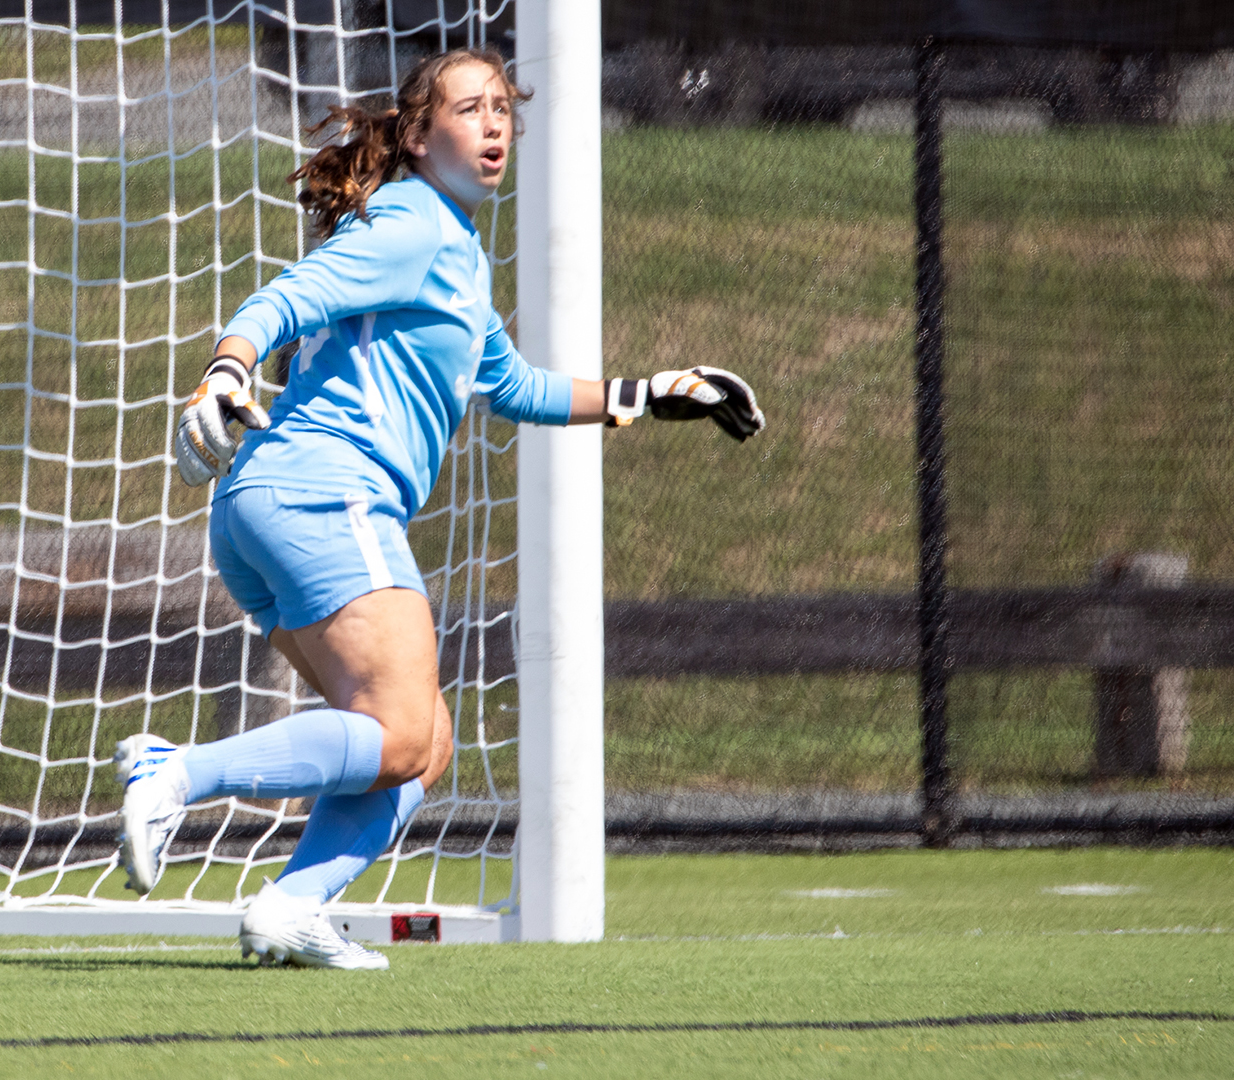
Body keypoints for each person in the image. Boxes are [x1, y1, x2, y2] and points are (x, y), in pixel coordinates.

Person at [112, 46, 765, 970]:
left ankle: (290, 906)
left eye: (504, 108)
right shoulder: (414, 227)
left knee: (419, 746)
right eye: (471, 108)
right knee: (402, 731)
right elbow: (291, 296)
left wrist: (653, 392)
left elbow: (513, 384)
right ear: (419, 136)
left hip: (271, 508)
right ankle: (172, 776)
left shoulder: (450, 250)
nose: (496, 124)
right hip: (322, 492)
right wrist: (227, 368)